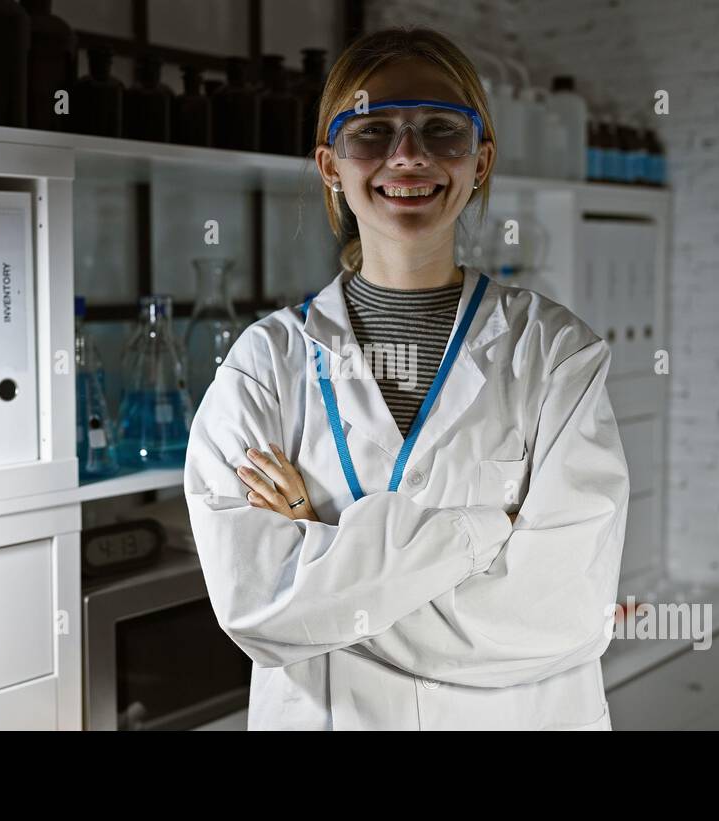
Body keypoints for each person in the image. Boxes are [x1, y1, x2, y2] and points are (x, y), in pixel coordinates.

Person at [183, 27, 630, 730]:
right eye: (373, 131)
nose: (408, 154)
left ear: (480, 161)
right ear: (330, 165)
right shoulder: (262, 365)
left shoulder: (555, 355)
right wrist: (482, 535)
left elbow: (561, 612)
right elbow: (258, 608)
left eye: (441, 129)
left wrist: (322, 550)